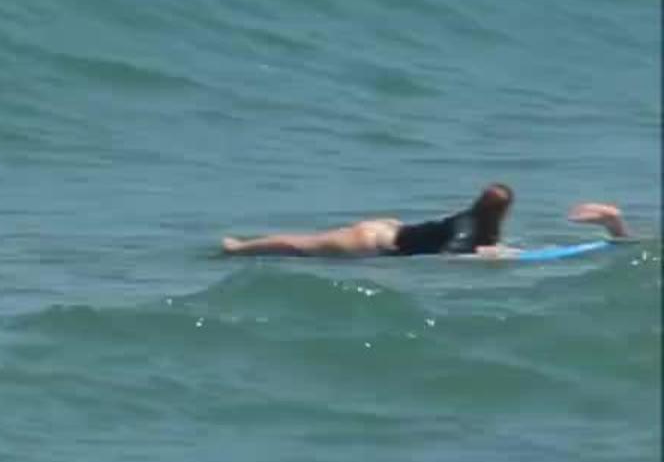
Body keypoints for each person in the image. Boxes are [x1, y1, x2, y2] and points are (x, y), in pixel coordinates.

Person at [218, 183, 631, 258]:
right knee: (300, 246)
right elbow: (453, 256)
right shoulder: (472, 231)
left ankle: (243, 247)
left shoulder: (475, 223)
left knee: (304, 244)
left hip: (390, 229)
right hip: (372, 242)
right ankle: (239, 248)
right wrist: (485, 257)